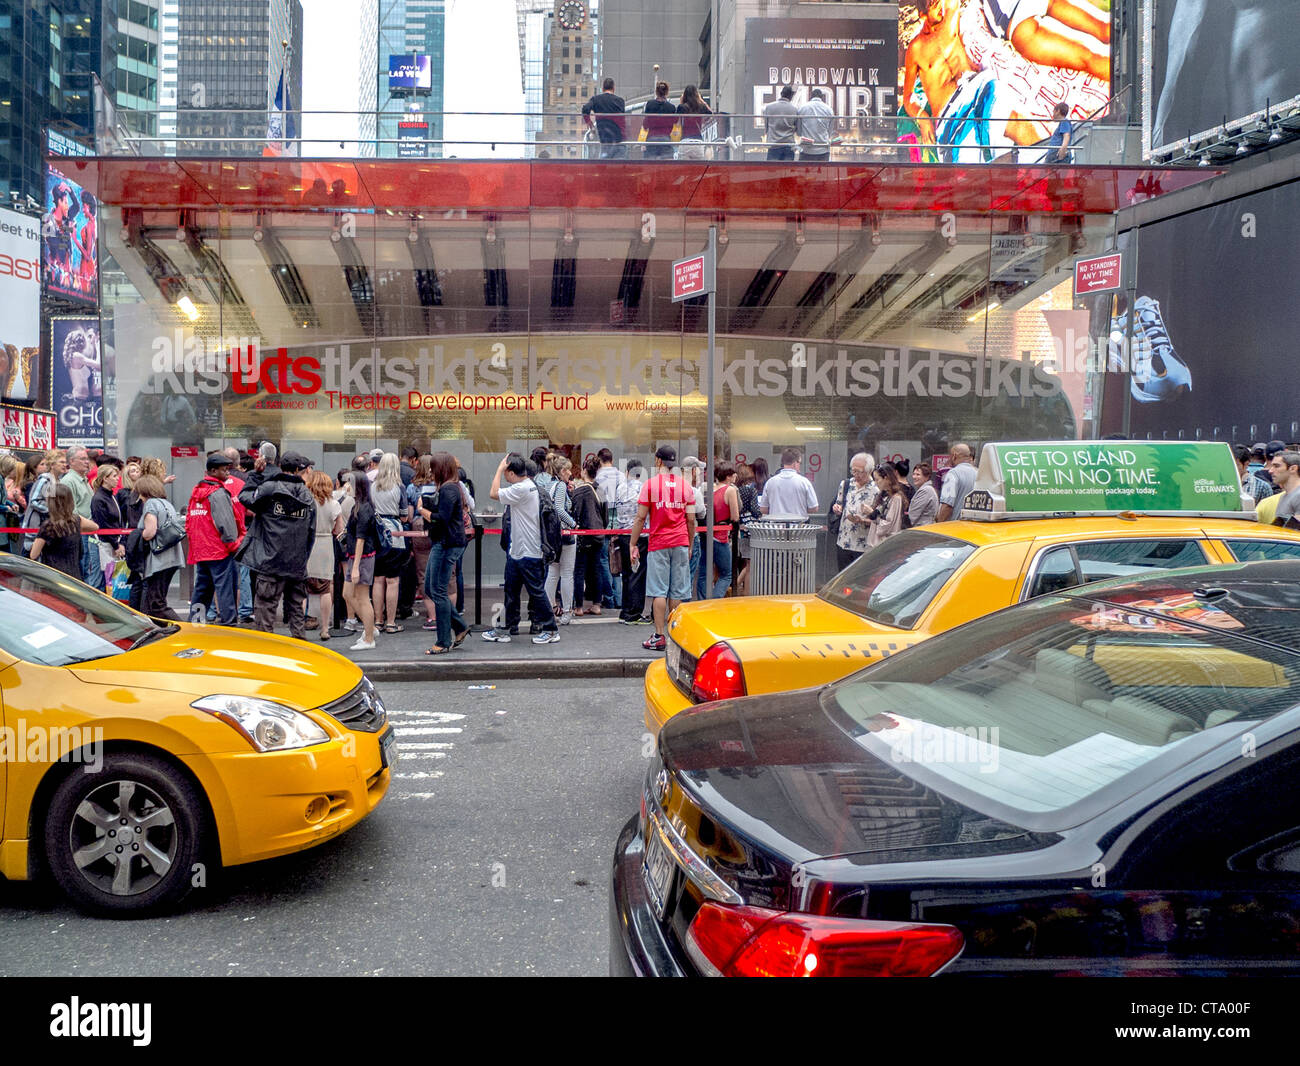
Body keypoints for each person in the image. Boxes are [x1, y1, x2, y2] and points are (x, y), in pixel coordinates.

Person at [238, 451, 316, 640]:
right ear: (299, 470)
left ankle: (267, 655)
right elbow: (310, 534)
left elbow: (245, 497)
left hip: (270, 562)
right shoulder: (308, 497)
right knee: (296, 610)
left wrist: (255, 475)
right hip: (296, 564)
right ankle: (300, 650)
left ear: (281, 467)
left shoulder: (269, 489)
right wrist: (302, 559)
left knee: (265, 612)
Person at [484, 454, 560, 644]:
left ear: (510, 472)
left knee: (536, 592)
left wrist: (499, 468)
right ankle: (507, 627)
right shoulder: (527, 486)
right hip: (518, 551)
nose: (505, 478)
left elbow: (493, 493)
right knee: (512, 591)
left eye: (506, 473)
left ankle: (551, 629)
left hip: (528, 552)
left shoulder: (522, 488)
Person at [629, 444, 696, 652]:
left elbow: (640, 517)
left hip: (658, 543)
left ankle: (659, 636)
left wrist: (632, 543)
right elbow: (691, 519)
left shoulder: (650, 485)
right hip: (681, 541)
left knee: (658, 591)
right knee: (677, 590)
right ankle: (674, 635)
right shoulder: (686, 487)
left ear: (658, 461)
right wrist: (690, 543)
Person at [185, 453, 245, 626]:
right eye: (224, 469)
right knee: (226, 590)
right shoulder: (218, 494)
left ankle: (196, 622)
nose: (228, 472)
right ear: (212, 471)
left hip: (202, 550)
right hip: (219, 550)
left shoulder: (196, 493)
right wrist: (233, 544)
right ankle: (229, 624)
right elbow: (225, 523)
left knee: (201, 590)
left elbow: (190, 521)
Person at [421, 452, 471, 654]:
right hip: (444, 543)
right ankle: (459, 626)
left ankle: (443, 641)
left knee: (438, 591)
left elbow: (441, 518)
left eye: (433, 467)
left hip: (447, 544)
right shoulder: (450, 487)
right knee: (432, 588)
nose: (431, 471)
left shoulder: (449, 488)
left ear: (441, 468)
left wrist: (423, 511)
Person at [370, 452, 410, 633]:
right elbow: (404, 515)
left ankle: (378, 621)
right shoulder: (399, 487)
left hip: (376, 536)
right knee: (392, 581)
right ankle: (391, 623)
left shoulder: (372, 487)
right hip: (394, 536)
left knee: (377, 580)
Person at [135, 475, 183, 619]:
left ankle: (181, 629)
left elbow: (150, 532)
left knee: (156, 604)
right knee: (154, 601)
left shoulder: (151, 504)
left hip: (159, 560)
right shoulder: (166, 503)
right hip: (172, 557)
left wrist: (136, 536)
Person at [306, 471, 344, 641]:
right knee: (325, 588)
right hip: (326, 544)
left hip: (308, 545)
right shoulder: (334, 504)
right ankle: (324, 628)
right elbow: (339, 530)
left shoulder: (306, 502)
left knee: (302, 589)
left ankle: (300, 626)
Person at [30, 484, 96, 581]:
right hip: (74, 575)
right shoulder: (76, 520)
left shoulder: (48, 526)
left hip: (53, 577)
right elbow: (95, 526)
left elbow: (33, 555)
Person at [343, 472, 379, 650]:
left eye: (349, 483)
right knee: (348, 594)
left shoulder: (363, 508)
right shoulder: (359, 505)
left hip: (362, 558)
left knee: (363, 598)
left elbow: (361, 538)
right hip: (356, 557)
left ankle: (369, 638)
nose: (346, 487)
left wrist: (355, 567)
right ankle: (369, 627)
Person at [542, 454, 578, 624]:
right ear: (563, 471)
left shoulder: (549, 484)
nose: (570, 473)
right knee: (566, 574)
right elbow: (559, 509)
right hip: (565, 535)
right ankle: (566, 611)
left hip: (552, 536)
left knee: (553, 573)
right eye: (569, 470)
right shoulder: (561, 486)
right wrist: (573, 524)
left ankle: (548, 609)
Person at [61, 446, 103, 594]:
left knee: (87, 571)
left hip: (88, 532)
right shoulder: (69, 481)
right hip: (80, 532)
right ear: (71, 461)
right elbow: (70, 512)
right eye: (83, 459)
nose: (87, 462)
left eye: (87, 459)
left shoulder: (83, 480)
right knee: (82, 571)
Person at [615, 459, 651, 624]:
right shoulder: (644, 488)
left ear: (627, 471)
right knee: (638, 572)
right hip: (639, 536)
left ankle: (625, 609)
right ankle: (634, 613)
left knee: (627, 573)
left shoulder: (620, 488)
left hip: (623, 534)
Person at [698, 463, 740, 599]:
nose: (736, 476)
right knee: (726, 574)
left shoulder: (709, 489)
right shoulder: (730, 490)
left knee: (704, 574)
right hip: (721, 536)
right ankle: (714, 602)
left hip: (705, 535)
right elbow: (735, 516)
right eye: (733, 473)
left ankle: (702, 603)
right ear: (728, 476)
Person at [570, 456, 605, 615]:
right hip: (598, 534)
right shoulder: (601, 489)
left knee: (579, 570)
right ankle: (597, 604)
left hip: (583, 534)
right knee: (596, 569)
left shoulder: (578, 490)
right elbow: (605, 513)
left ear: (584, 470)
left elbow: (574, 512)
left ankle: (578, 607)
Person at [407, 456, 438, 631]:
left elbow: (410, 515)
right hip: (439, 526)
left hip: (418, 527)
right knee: (444, 572)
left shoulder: (412, 488)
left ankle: (431, 616)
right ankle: (444, 613)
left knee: (422, 572)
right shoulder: (441, 485)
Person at [833, 453, 878, 571]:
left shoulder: (876, 490)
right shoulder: (846, 484)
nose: (856, 475)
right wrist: (837, 508)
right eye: (853, 471)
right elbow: (839, 504)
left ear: (869, 471)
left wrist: (862, 520)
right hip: (843, 541)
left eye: (859, 472)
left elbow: (879, 520)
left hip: (863, 545)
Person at [760, 447, 819, 518]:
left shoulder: (770, 482)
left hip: (776, 526)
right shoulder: (804, 482)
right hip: (798, 526)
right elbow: (814, 508)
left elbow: (763, 509)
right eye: (800, 462)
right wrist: (800, 509)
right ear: (795, 463)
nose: (800, 465)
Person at [733, 462, 763, 595]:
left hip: (741, 528)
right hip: (751, 529)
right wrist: (761, 515)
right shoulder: (751, 489)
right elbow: (755, 510)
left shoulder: (735, 489)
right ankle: (746, 594)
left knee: (747, 561)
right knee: (751, 564)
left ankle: (734, 587)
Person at [582, 76, 627, 159]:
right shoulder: (620, 101)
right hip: (619, 140)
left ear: (602, 88)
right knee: (619, 169)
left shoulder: (596, 100)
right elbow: (622, 120)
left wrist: (590, 124)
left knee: (604, 168)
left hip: (605, 141)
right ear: (614, 88)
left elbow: (585, 109)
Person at [867, 462, 908, 547]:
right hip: (876, 544)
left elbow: (888, 525)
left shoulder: (896, 498)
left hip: (885, 545)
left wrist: (872, 514)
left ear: (886, 478)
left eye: (877, 479)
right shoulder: (884, 495)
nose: (875, 483)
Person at [936, 442, 979, 521]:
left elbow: (947, 505)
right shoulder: (978, 473)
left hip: (954, 527)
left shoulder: (953, 474)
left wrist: (938, 524)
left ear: (954, 456)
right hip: (972, 527)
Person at [763, 85, 799, 161]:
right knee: (787, 171)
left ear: (781, 93)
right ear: (791, 96)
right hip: (789, 145)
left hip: (774, 145)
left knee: (773, 171)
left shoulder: (769, 107)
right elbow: (796, 128)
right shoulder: (794, 109)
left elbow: (766, 127)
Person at [676, 85, 712, 160]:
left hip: (685, 141)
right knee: (697, 169)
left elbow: (676, 121)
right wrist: (701, 100)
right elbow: (710, 114)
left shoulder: (682, 107)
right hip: (698, 142)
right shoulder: (701, 106)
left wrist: (681, 101)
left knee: (684, 170)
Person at [643, 81, 677, 159]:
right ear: (667, 92)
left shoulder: (650, 104)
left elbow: (645, 124)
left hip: (651, 138)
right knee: (667, 166)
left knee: (650, 165)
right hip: (665, 139)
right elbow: (675, 121)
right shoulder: (671, 107)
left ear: (656, 92)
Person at [797, 89, 834, 162]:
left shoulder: (802, 108)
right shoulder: (829, 109)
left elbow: (799, 131)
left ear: (811, 96)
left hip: (806, 150)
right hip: (823, 150)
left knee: (803, 173)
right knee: (823, 173)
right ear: (822, 97)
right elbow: (829, 132)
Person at [1268, 451, 1300, 529]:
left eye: (1276, 466)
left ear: (1293, 469)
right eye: (1271, 466)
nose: (1270, 471)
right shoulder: (1284, 496)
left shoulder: (1298, 496)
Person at [909, 462, 940, 527]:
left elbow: (913, 514)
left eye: (918, 474)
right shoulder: (927, 489)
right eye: (914, 474)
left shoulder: (925, 491)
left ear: (926, 477)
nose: (914, 477)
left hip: (923, 528)